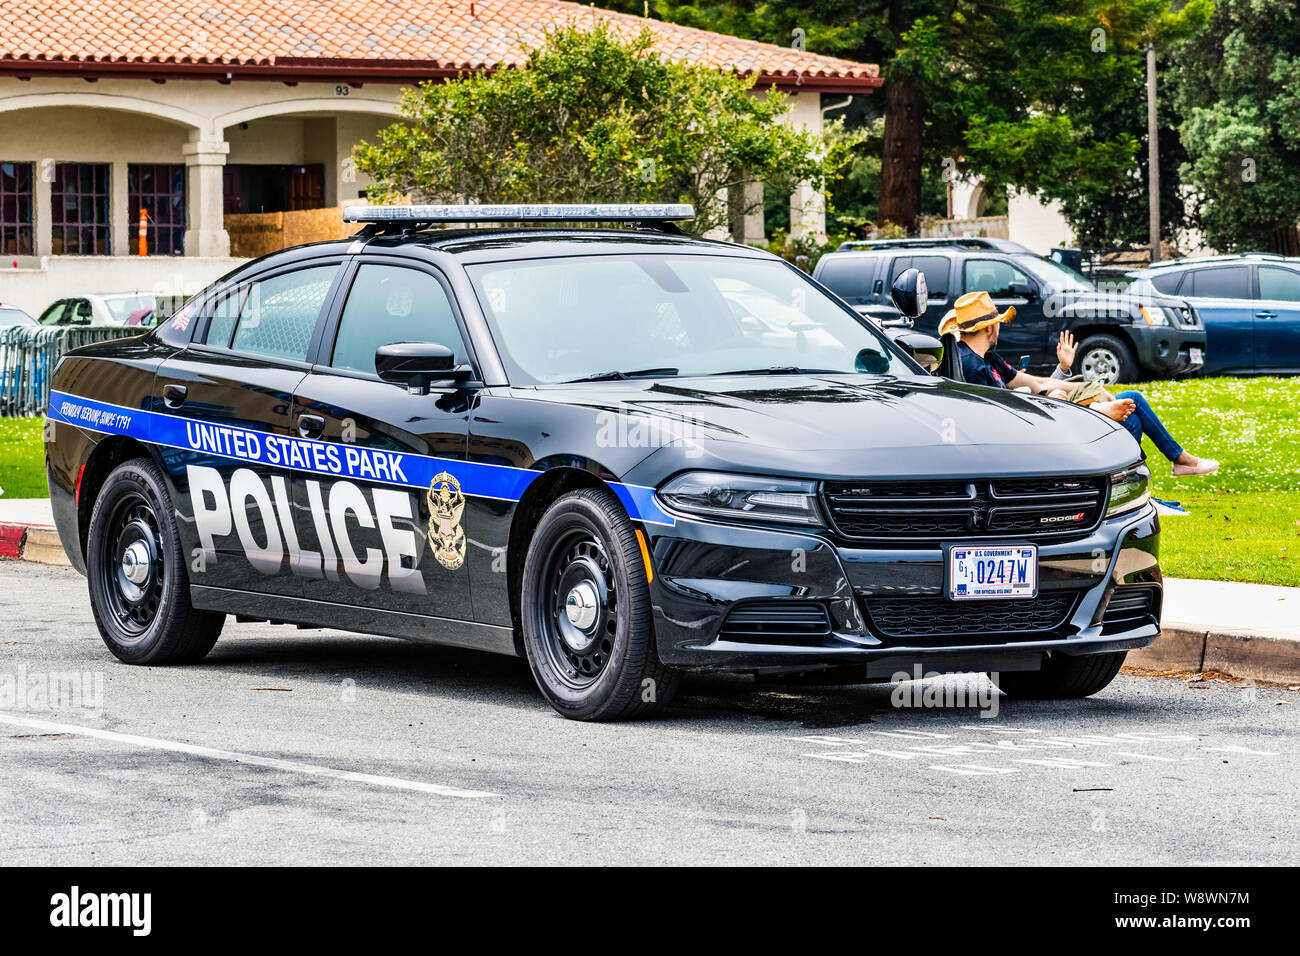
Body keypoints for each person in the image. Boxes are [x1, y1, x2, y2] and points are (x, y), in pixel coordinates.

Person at [940, 291, 1219, 476]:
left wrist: (1087, 386)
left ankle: (1153, 477)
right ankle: (1174, 463)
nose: (1000, 327)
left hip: (1046, 419)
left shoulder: (987, 358)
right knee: (1129, 406)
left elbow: (1036, 383)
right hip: (1032, 438)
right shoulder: (972, 366)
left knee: (1131, 414)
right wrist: (1090, 408)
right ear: (989, 327)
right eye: (998, 322)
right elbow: (1007, 415)